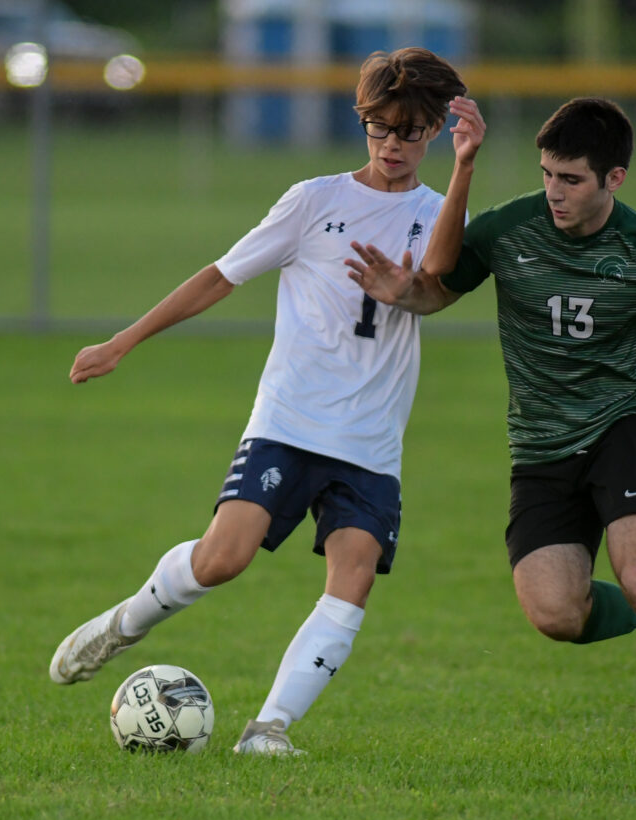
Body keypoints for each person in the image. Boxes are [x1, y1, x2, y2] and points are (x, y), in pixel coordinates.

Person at [346, 97, 636, 762]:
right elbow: (437, 290)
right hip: (540, 446)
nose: (553, 191)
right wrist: (402, 292)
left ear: (614, 179)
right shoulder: (509, 229)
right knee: (556, 613)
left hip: (621, 428)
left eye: (570, 179)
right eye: (547, 173)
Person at [48, 47, 486, 757]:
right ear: (363, 124)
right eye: (381, 128)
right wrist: (122, 342)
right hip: (291, 419)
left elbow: (437, 283)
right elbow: (221, 276)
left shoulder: (439, 212)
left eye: (411, 131)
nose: (394, 145)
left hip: (371, 438)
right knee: (224, 558)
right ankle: (125, 622)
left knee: (352, 580)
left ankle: (268, 727)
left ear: (436, 130)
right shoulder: (314, 200)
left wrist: (464, 173)